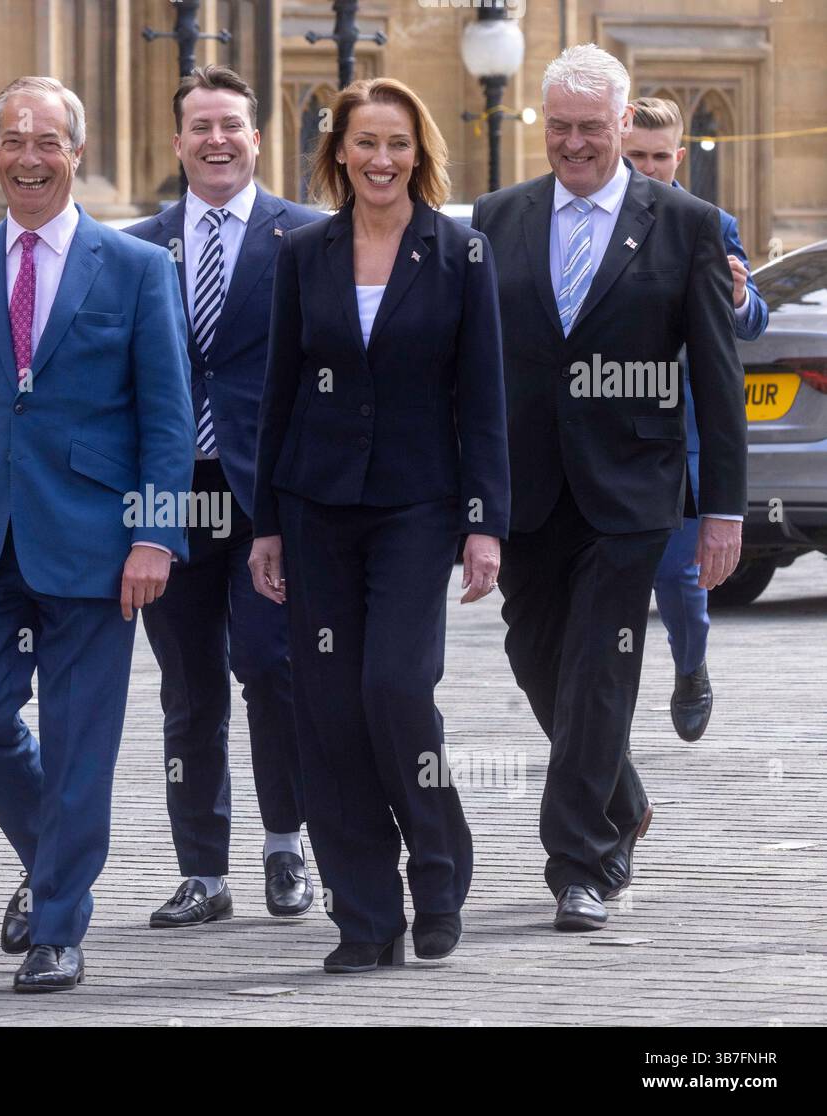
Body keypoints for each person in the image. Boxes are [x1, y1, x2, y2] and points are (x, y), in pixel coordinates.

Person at [0, 77, 194, 992]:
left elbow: (168, 420)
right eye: (12, 141)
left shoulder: (139, 268)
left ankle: (59, 926)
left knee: (81, 744)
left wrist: (157, 536)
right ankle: (55, 857)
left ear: (76, 151)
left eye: (47, 142)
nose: (29, 158)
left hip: (100, 551)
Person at [472, 45, 747, 933]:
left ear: (625, 126)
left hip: (631, 492)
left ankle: (577, 862)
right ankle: (623, 800)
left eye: (592, 128)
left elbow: (716, 378)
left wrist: (724, 511)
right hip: (528, 489)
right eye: (559, 127)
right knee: (535, 657)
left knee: (602, 663)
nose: (575, 144)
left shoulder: (686, 224)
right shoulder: (496, 217)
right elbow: (471, 370)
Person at [250, 78, 509, 973]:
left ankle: (438, 875)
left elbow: (483, 400)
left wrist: (485, 523)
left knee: (394, 689)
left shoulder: (461, 252)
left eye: (397, 143)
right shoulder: (302, 252)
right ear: (340, 152)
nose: (381, 160)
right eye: (365, 142)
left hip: (417, 507)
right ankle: (365, 913)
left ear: (418, 152)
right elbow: (279, 391)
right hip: (316, 507)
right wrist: (266, 524)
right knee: (326, 712)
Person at [127, 66, 323, 929]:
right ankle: (202, 869)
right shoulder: (136, 250)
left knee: (273, 669)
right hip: (173, 498)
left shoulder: (306, 238)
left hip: (265, 499)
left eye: (232, 126)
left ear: (256, 137)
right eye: (200, 126)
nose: (216, 140)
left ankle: (287, 844)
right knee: (188, 683)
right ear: (177, 143)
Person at [624, 96, 769, 742]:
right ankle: (602, 721)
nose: (649, 169)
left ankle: (691, 669)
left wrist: (738, 294)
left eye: (660, 157)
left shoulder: (709, 221)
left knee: (679, 576)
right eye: (637, 157)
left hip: (680, 434)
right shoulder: (588, 221)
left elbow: (753, 319)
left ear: (679, 157)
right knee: (610, 582)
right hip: (607, 428)